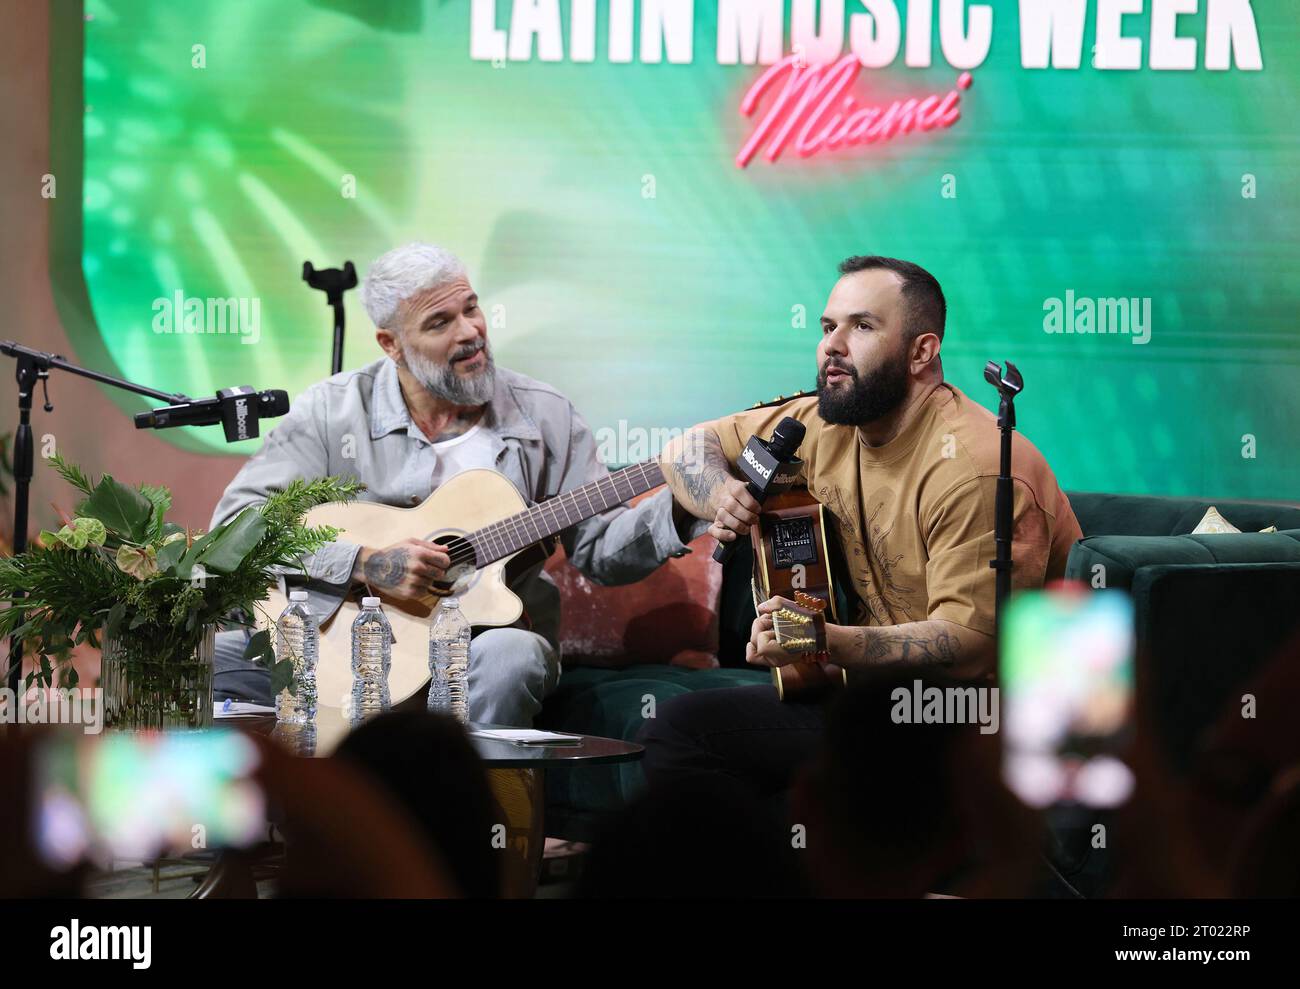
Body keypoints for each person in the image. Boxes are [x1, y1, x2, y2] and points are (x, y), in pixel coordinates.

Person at [645, 255, 1082, 795]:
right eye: (828, 327)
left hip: (972, 713)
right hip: (876, 697)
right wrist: (719, 495)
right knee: (678, 726)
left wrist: (821, 640)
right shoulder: (822, 426)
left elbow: (969, 644)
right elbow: (683, 447)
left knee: (685, 734)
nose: (833, 344)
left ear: (922, 351)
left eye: (863, 326)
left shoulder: (973, 468)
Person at [210, 242, 697, 725]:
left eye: (472, 309)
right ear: (390, 344)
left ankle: (458, 800)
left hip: (483, 645)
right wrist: (363, 563)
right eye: (440, 323)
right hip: (343, 640)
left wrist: (684, 503)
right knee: (190, 655)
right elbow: (234, 531)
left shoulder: (545, 415)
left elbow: (602, 551)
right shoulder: (331, 412)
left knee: (513, 656)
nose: (471, 333)